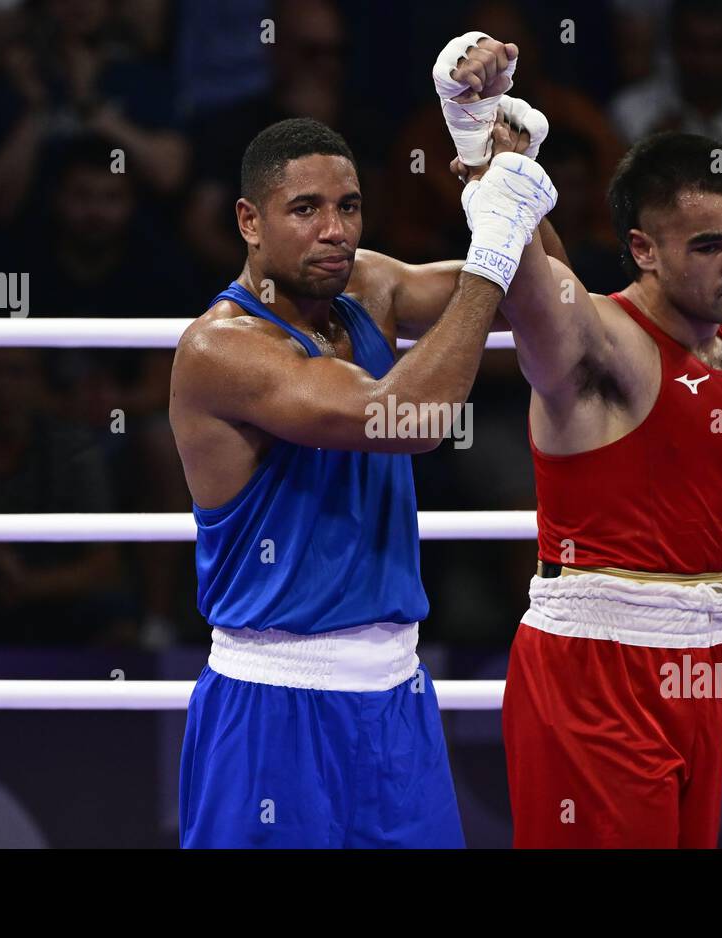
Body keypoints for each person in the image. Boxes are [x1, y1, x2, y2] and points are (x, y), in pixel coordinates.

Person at [434, 33, 722, 847]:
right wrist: (474, 132)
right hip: (591, 677)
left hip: (696, 674)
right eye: (709, 245)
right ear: (644, 249)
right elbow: (532, 280)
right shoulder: (600, 344)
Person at [170, 116, 556, 847]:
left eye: (348, 206)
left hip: (397, 696)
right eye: (305, 209)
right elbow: (408, 418)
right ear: (249, 221)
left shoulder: (371, 285)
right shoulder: (220, 349)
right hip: (273, 702)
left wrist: (500, 176)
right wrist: (494, 245)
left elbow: (546, 299)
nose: (334, 231)